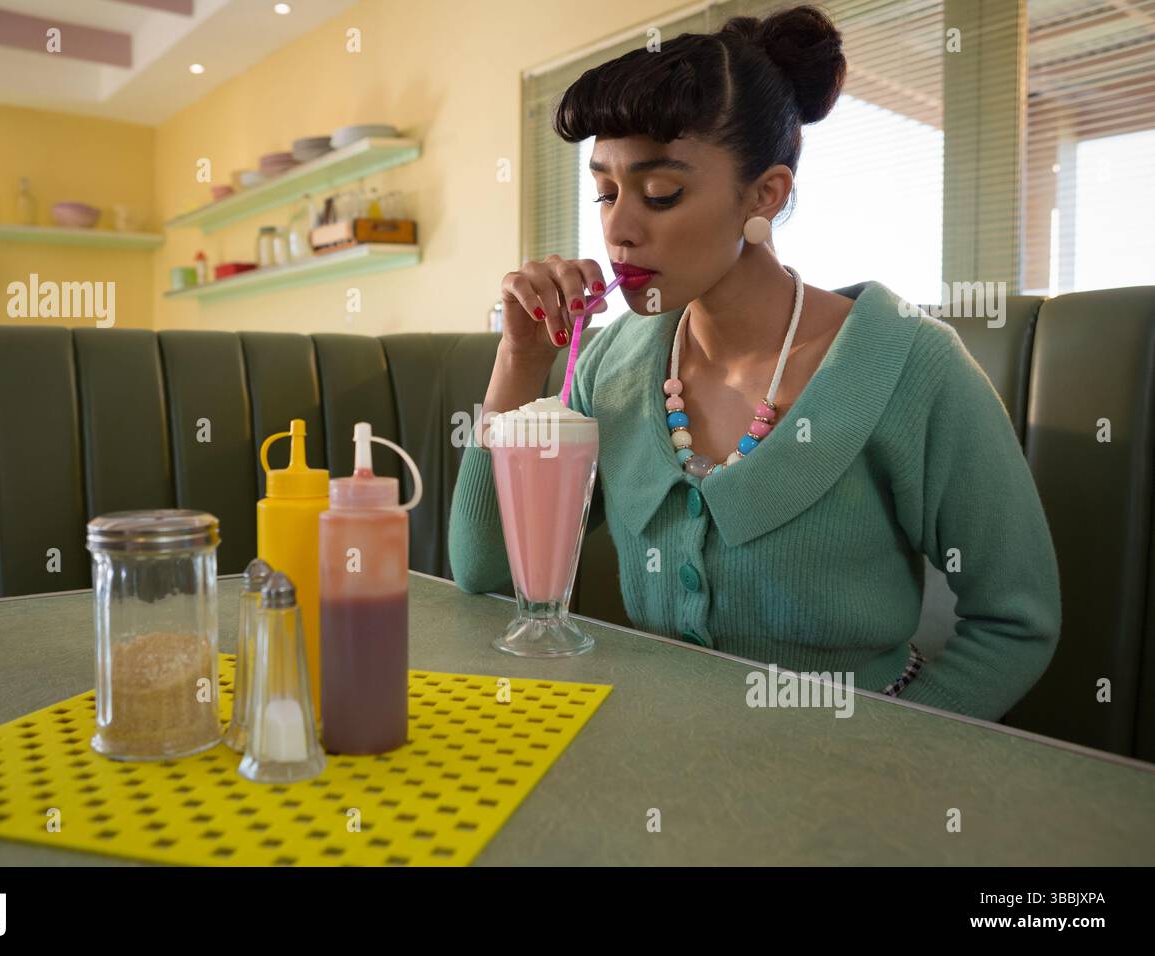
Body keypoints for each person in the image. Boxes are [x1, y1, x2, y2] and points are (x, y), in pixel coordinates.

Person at [449, 6, 1061, 722]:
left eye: (660, 194)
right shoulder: (609, 364)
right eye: (605, 192)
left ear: (765, 195)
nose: (616, 228)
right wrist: (519, 361)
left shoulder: (908, 365)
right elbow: (484, 569)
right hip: (667, 755)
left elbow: (1017, 623)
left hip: (861, 773)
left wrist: (895, 765)